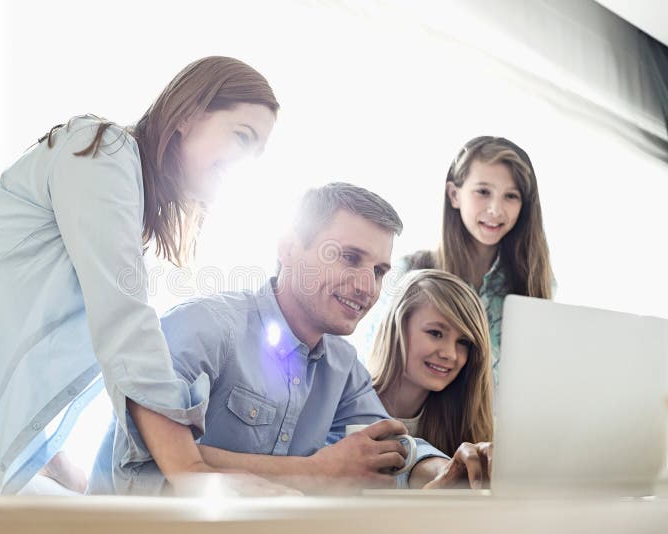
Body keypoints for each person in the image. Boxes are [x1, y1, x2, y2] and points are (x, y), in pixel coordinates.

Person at [0, 56, 278, 493]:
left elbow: (33, 356)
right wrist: (188, 469)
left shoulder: (128, 212)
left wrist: (60, 469)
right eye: (242, 136)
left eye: (257, 152)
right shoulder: (102, 151)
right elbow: (125, 327)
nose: (246, 160)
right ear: (190, 113)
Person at [89, 183, 490, 495]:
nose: (368, 286)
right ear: (289, 248)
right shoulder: (203, 327)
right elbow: (143, 462)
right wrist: (317, 472)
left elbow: (397, 449)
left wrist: (449, 471)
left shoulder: (343, 368)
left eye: (380, 270)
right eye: (350, 258)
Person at [379, 136, 554, 387]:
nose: (496, 209)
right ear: (454, 194)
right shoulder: (409, 272)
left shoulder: (536, 282)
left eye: (511, 196)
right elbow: (375, 367)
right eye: (483, 192)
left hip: (502, 424)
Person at [368, 269, 493, 485]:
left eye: (463, 342)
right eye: (436, 333)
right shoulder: (345, 404)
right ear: (398, 327)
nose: (450, 354)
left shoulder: (462, 423)